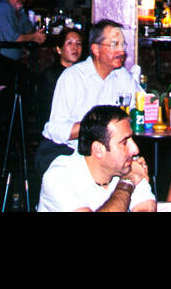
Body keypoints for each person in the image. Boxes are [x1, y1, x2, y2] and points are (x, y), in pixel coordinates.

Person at [38, 20, 138, 175]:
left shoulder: (123, 77)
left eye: (123, 45)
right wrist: (96, 127)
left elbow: (143, 105)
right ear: (96, 49)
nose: (121, 51)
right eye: (114, 45)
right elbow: (56, 129)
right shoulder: (73, 77)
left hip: (105, 154)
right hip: (67, 149)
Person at [37, 105, 155, 212]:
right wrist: (126, 184)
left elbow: (145, 208)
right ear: (98, 150)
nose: (135, 150)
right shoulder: (58, 178)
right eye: (124, 142)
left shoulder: (127, 166)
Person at [35, 27, 83, 126]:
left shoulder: (84, 72)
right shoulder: (49, 75)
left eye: (78, 44)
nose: (75, 48)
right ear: (59, 49)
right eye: (69, 43)